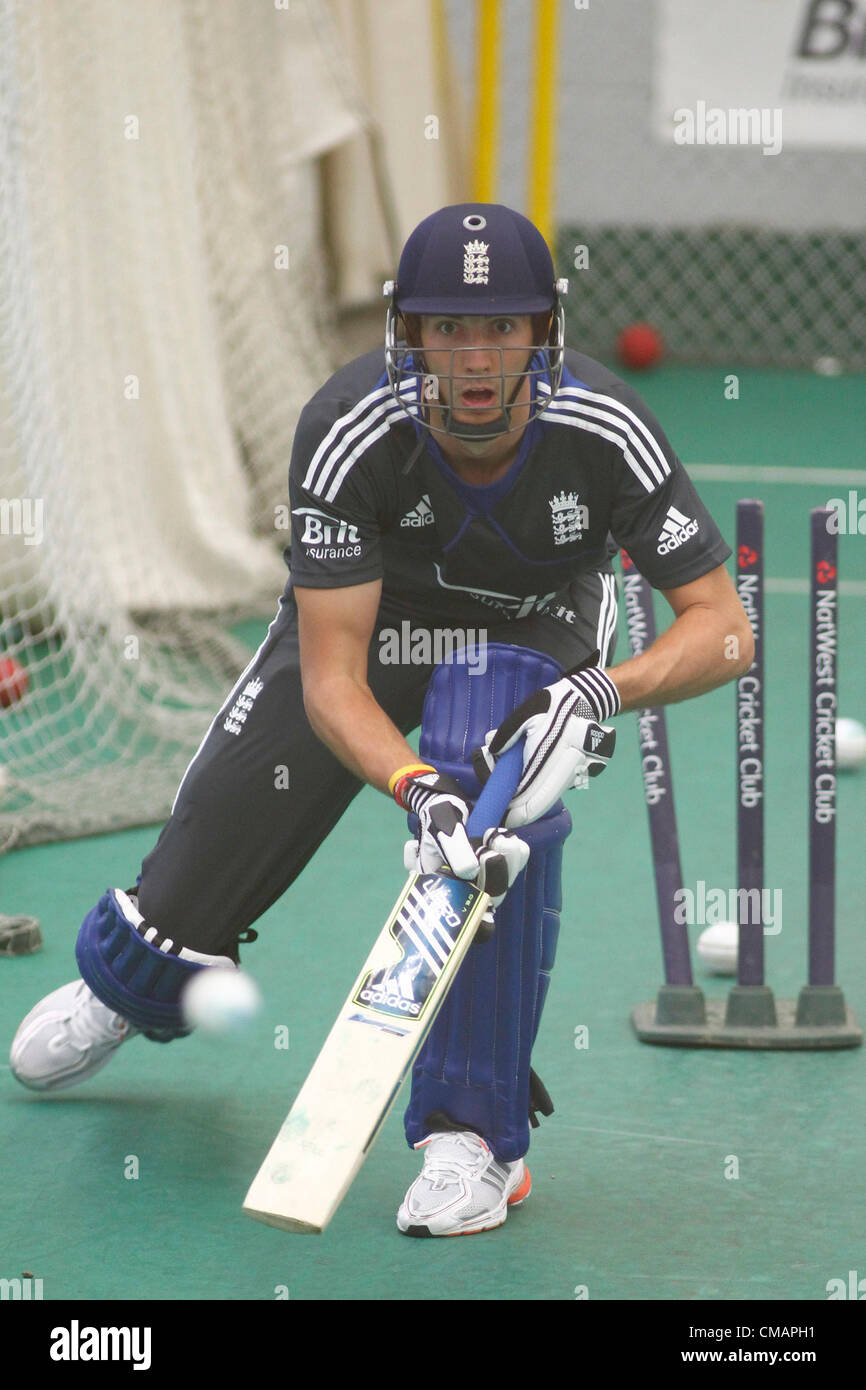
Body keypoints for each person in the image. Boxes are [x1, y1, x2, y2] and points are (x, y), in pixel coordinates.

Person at [10, 203, 753, 1237]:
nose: (478, 356)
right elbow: (328, 681)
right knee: (246, 801)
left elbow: (723, 629)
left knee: (487, 818)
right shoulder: (349, 422)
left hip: (530, 630)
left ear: (547, 329)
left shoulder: (604, 423)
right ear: (408, 333)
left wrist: (598, 691)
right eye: (449, 328)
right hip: (376, 612)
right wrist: (413, 788)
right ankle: (135, 986)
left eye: (504, 327)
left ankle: (470, 1137)